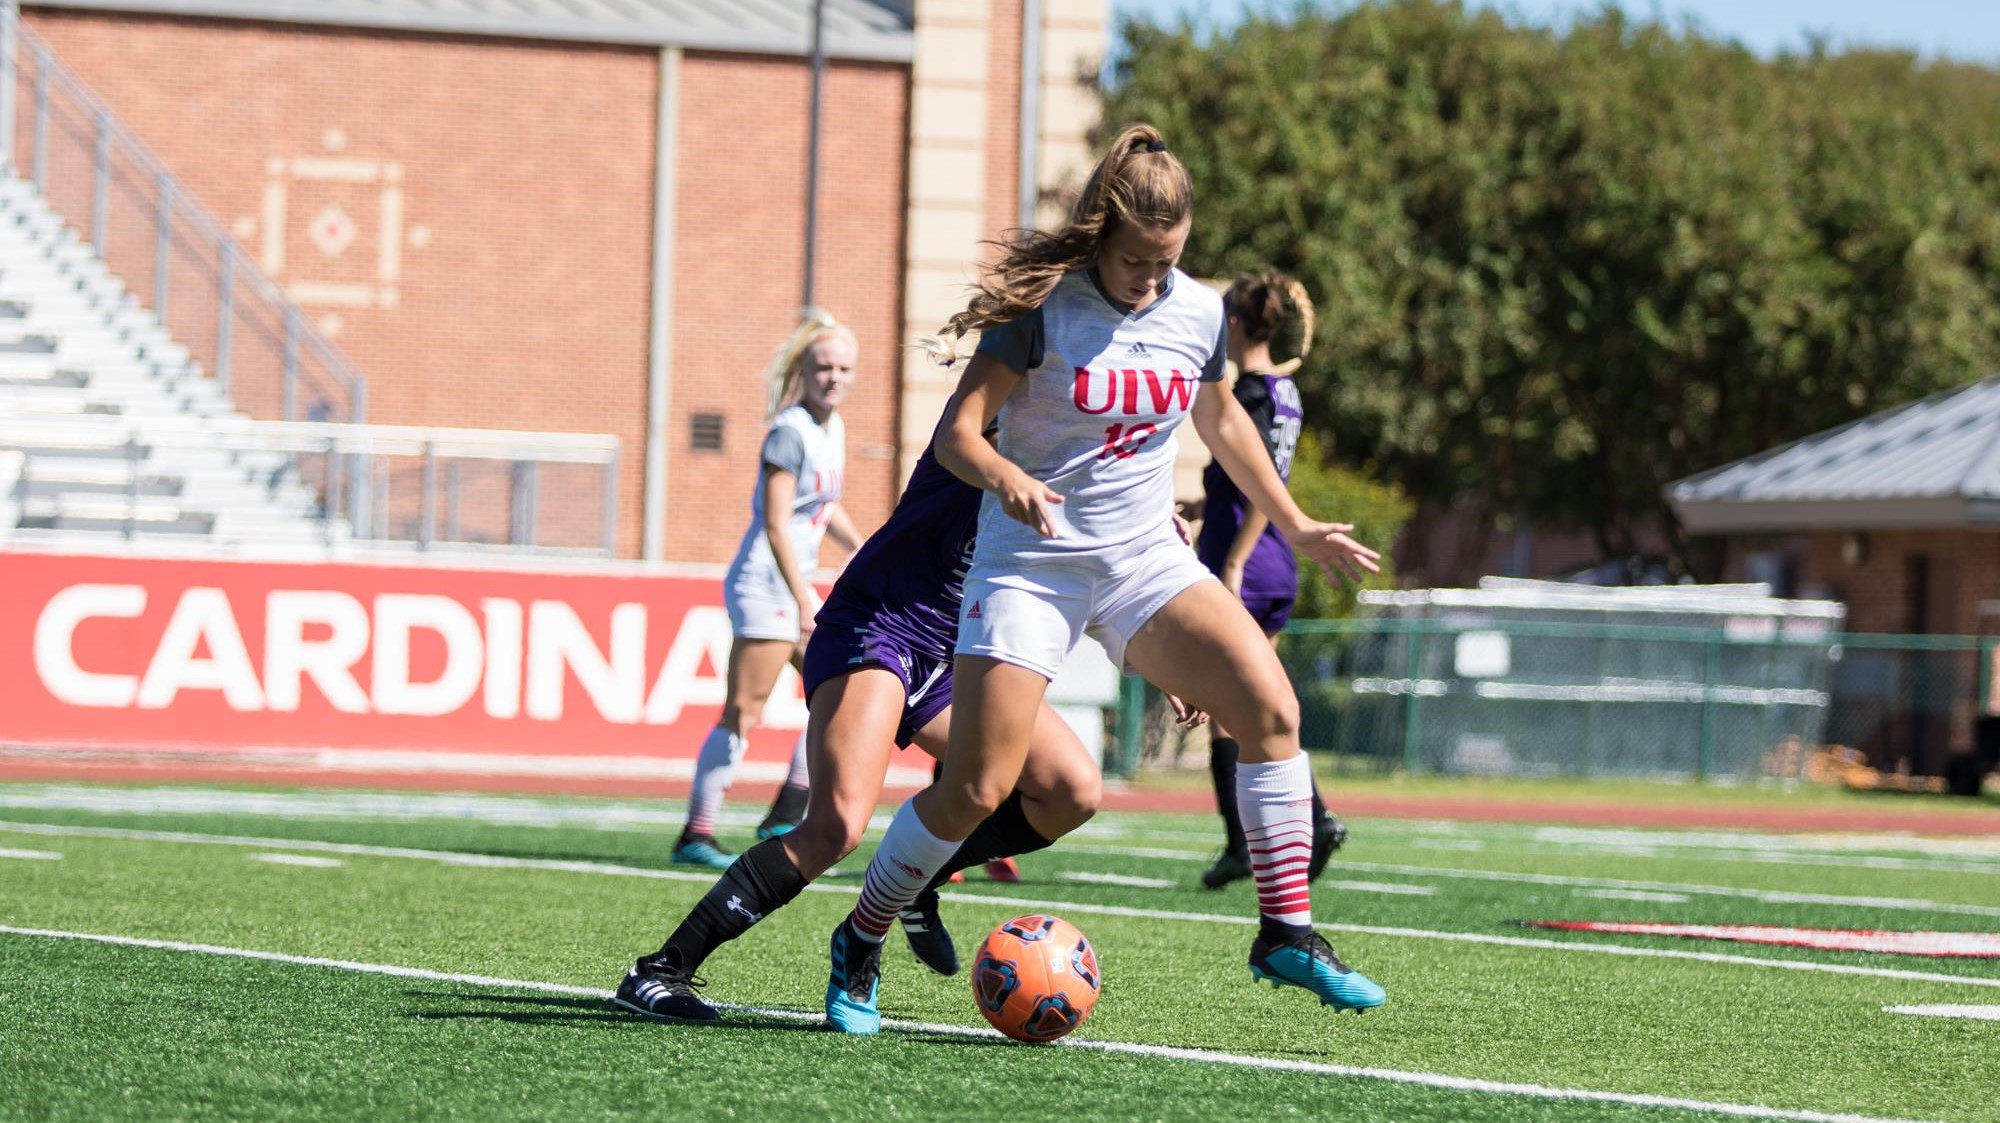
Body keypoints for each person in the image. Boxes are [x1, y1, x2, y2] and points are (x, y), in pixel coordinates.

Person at [824, 124, 1387, 1036]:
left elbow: (1220, 420)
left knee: (1271, 711)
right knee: (974, 788)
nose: (1149, 279)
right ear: (1101, 234)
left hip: (1141, 560)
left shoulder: (1198, 311)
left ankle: (1287, 933)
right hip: (1030, 566)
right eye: (1133, 260)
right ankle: (862, 935)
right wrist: (1009, 478)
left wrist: (1294, 520)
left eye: (1167, 260)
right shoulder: (1045, 307)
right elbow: (957, 435)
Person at [612, 427, 1202, 1021]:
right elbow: (965, 444)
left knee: (1071, 790)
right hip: (878, 627)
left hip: (958, 651)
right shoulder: (1000, 410)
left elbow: (1100, 575)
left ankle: (916, 878)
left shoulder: (1089, 459)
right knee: (834, 828)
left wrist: (1150, 633)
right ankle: (661, 971)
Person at [674, 310, 862, 869]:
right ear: (803, 371)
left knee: (839, 690)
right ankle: (696, 833)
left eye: (844, 367)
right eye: (823, 366)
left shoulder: (835, 429)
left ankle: (786, 811)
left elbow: (822, 507)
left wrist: (864, 547)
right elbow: (778, 522)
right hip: (767, 584)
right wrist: (805, 597)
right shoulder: (789, 431)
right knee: (743, 711)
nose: (834, 377)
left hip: (794, 583)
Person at [1194, 270, 1346, 891]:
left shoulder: (1251, 393)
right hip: (1275, 561)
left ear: (1232, 323)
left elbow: (1264, 486)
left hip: (1247, 564)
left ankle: (1292, 825)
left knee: (1233, 708)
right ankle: (1265, 836)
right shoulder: (1286, 392)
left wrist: (1231, 562)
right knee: (1254, 704)